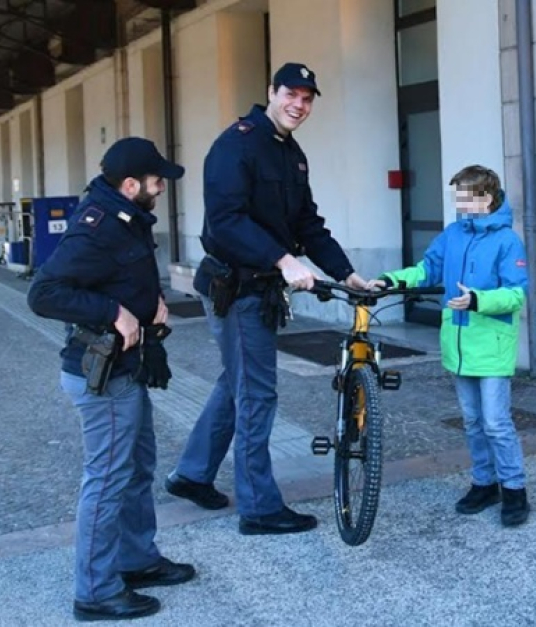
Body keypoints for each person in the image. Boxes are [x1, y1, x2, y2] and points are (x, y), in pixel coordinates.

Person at [165, 62, 370, 535]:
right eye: (291, 95)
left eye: (308, 98)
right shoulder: (236, 145)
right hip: (234, 288)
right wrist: (283, 260)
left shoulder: (291, 155)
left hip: (260, 286)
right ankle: (258, 508)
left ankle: (192, 475)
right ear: (271, 92)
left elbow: (308, 225)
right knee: (257, 392)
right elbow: (226, 221)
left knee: (237, 383)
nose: (299, 105)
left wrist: (347, 273)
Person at [27, 137, 194, 621]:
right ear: (130, 185)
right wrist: (114, 312)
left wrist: (151, 306)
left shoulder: (127, 218)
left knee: (138, 467)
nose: (161, 188)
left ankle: (135, 560)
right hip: (102, 376)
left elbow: (123, 277)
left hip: (128, 369)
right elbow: (44, 293)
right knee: (106, 480)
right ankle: (96, 591)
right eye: (156, 181)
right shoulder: (97, 227)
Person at [368, 165, 530, 527]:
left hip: (492, 345)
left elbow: (516, 293)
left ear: (486, 198)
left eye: (465, 196)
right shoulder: (452, 234)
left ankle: (515, 490)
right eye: (456, 196)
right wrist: (389, 280)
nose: (458, 204)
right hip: (458, 346)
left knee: (496, 422)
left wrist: (477, 300)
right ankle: (484, 483)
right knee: (473, 422)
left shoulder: (508, 241)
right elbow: (427, 270)